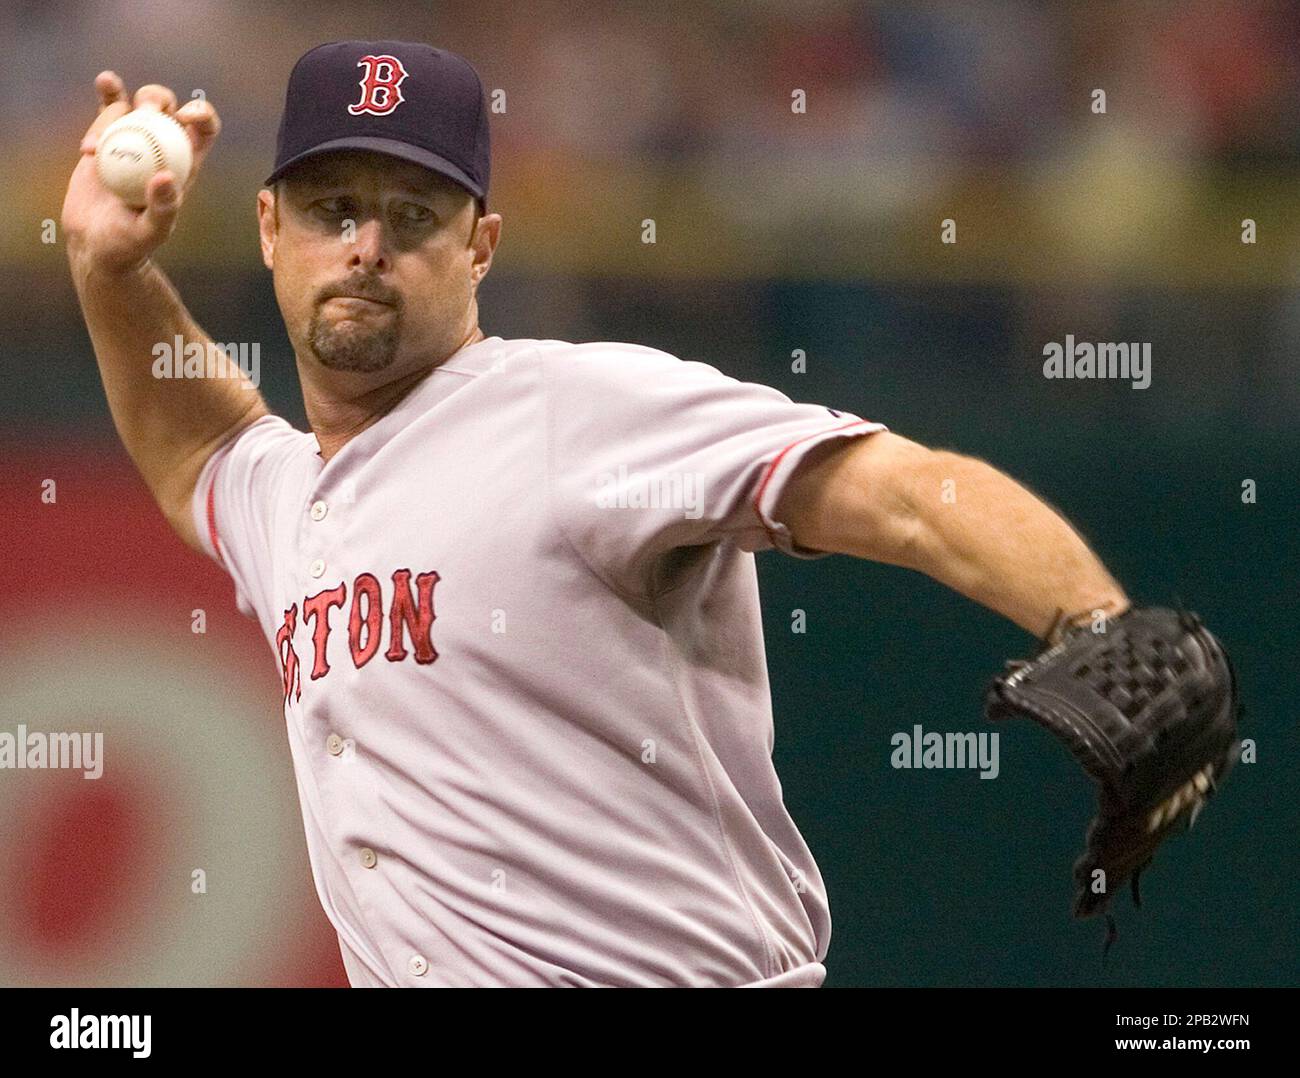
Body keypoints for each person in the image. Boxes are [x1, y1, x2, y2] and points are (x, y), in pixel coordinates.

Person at [62, 41, 1130, 987]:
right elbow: (200, 444)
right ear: (268, 227)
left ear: (480, 246)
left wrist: (1095, 626)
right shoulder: (288, 496)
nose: (366, 246)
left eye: (413, 215)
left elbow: (897, 490)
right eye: (333, 209)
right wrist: (109, 266)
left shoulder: (576, 409)